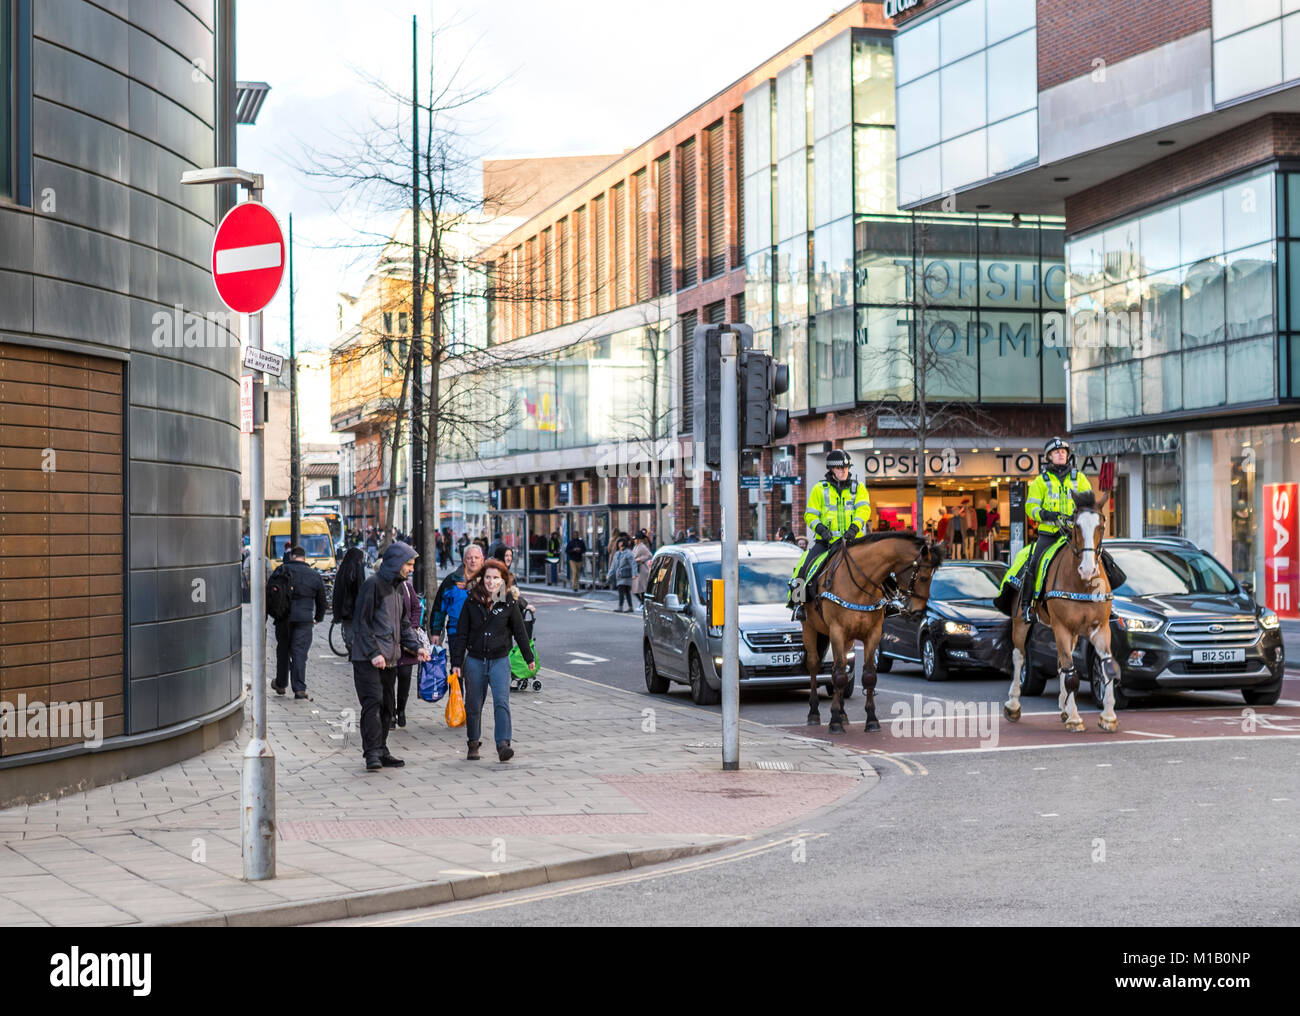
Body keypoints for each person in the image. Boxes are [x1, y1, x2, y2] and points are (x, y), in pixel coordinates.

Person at [349, 542, 429, 771]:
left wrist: (416, 647)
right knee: (372, 703)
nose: (412, 569)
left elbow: (403, 625)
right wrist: (374, 653)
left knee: (387, 707)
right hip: (368, 660)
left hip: (389, 659)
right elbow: (361, 623)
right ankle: (371, 753)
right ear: (396, 563)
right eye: (409, 564)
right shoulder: (372, 586)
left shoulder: (397, 589)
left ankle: (382, 749)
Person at [450, 559, 536, 762]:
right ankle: (473, 743)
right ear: (481, 578)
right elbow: (461, 633)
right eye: (487, 577)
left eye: (496, 578)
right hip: (475, 661)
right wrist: (456, 662)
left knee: (501, 702)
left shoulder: (507, 601)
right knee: (473, 704)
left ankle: (503, 744)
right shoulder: (472, 600)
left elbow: (520, 632)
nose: (491, 582)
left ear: (503, 580)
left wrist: (529, 658)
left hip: (499, 660)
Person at [788, 449, 871, 620]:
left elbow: (864, 510)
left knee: (876, 564)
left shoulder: (858, 488)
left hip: (852, 541)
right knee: (803, 567)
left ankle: (890, 602)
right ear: (832, 470)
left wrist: (854, 528)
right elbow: (809, 515)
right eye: (840, 468)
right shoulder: (819, 489)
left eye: (846, 468)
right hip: (825, 543)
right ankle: (798, 604)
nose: (844, 471)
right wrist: (820, 529)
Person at [1020, 436, 1093, 622]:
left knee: (1101, 559)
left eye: (1063, 452)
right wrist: (1045, 514)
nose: (1060, 454)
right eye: (1056, 452)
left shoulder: (1080, 478)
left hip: (1074, 534)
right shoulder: (1040, 481)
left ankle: (1107, 603)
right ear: (1049, 457)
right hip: (1050, 535)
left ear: (1067, 455)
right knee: (1033, 564)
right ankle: (1027, 607)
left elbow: (1090, 505)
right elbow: (1030, 508)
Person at [270, 545, 328, 699]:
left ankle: (281, 684)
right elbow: (322, 601)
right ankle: (299, 688)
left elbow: (270, 593)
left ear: (291, 556)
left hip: (283, 618)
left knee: (283, 651)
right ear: (304, 557)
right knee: (299, 653)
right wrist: (318, 617)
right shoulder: (314, 575)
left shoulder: (281, 571)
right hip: (304, 619)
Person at [430, 543, 484, 647]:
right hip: (456, 634)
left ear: (482, 559)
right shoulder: (451, 581)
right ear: (464, 560)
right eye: (469, 558)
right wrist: (436, 632)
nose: (473, 561)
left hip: (481, 635)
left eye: (476, 558)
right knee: (458, 663)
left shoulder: (489, 580)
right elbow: (439, 609)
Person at [388, 571, 421, 730]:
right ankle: (390, 714)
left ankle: (401, 709)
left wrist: (413, 626)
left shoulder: (408, 587)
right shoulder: (384, 588)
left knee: (405, 676)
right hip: (390, 642)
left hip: (407, 642)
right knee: (389, 680)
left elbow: (416, 607)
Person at [331, 545, 367, 654]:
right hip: (356, 609)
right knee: (357, 632)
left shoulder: (342, 571)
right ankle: (355, 652)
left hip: (344, 610)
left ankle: (351, 649)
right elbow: (362, 590)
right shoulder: (358, 571)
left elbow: (337, 593)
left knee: (348, 632)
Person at [607, 537, 636, 612]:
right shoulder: (616, 554)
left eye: (621, 542)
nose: (619, 544)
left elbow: (633, 564)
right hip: (619, 576)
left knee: (621, 591)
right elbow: (613, 566)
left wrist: (634, 574)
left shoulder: (629, 553)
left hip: (626, 575)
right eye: (619, 543)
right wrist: (609, 574)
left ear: (624, 544)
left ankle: (620, 607)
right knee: (626, 592)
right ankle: (630, 607)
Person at [632, 533, 653, 607]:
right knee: (635, 590)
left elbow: (649, 555)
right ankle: (642, 602)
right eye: (634, 539)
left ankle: (643, 603)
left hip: (642, 569)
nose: (634, 540)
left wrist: (639, 559)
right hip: (637, 569)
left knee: (641, 588)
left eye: (636, 539)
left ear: (639, 540)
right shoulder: (636, 546)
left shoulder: (642, 546)